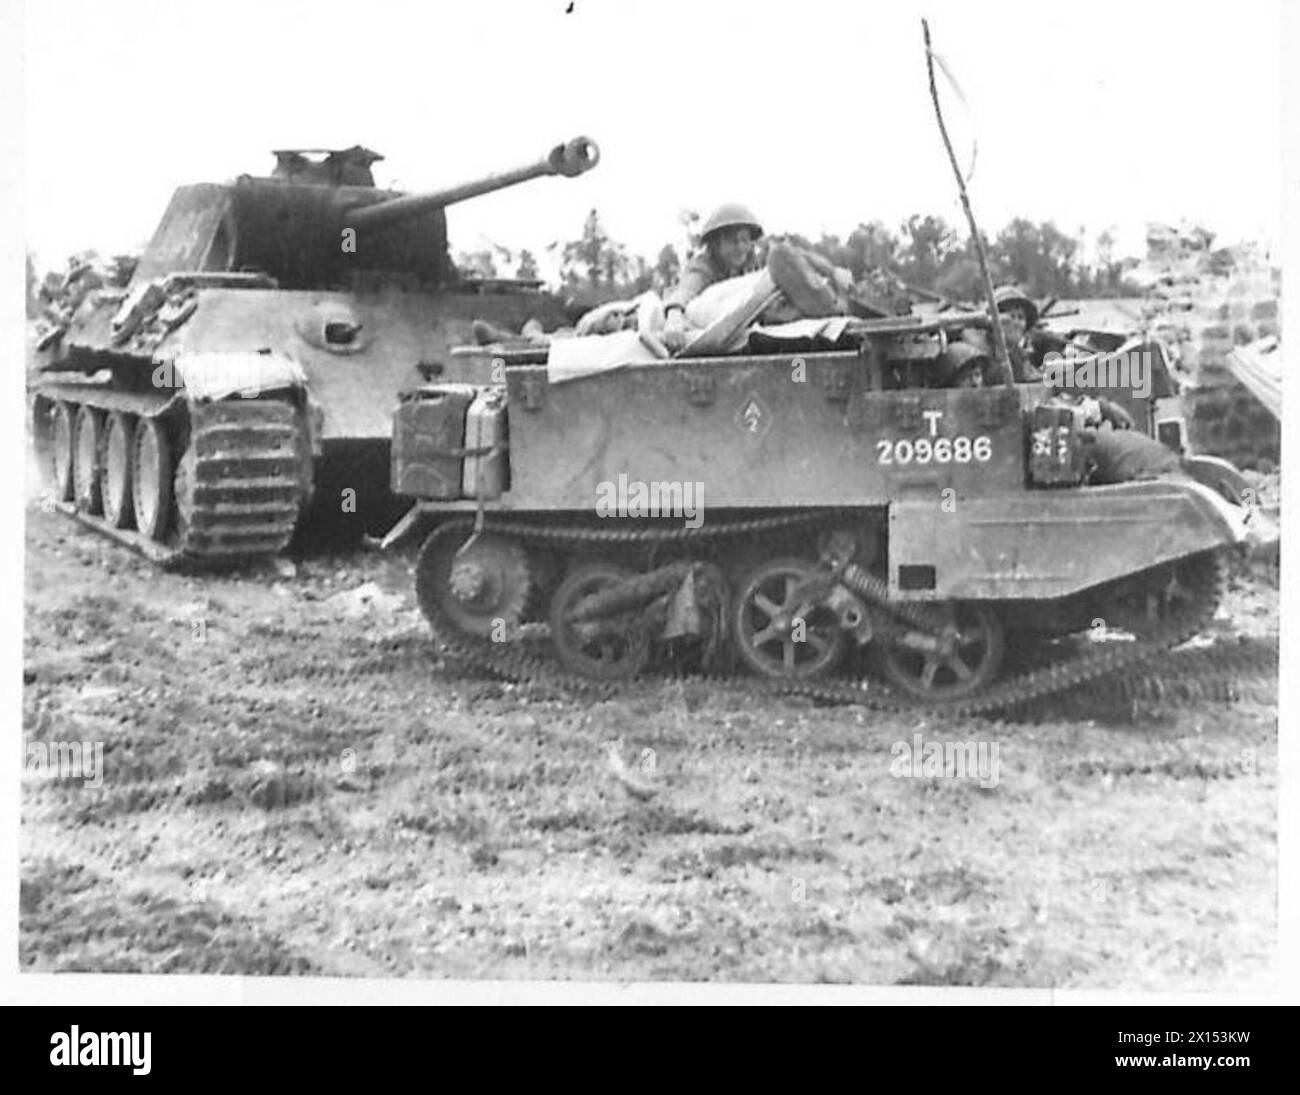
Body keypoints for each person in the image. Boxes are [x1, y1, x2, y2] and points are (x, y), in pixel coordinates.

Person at [662, 204, 764, 352]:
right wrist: (674, 317)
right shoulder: (703, 267)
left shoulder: (750, 266)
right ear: (715, 244)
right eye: (732, 240)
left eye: (745, 239)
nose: (740, 247)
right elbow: (686, 291)